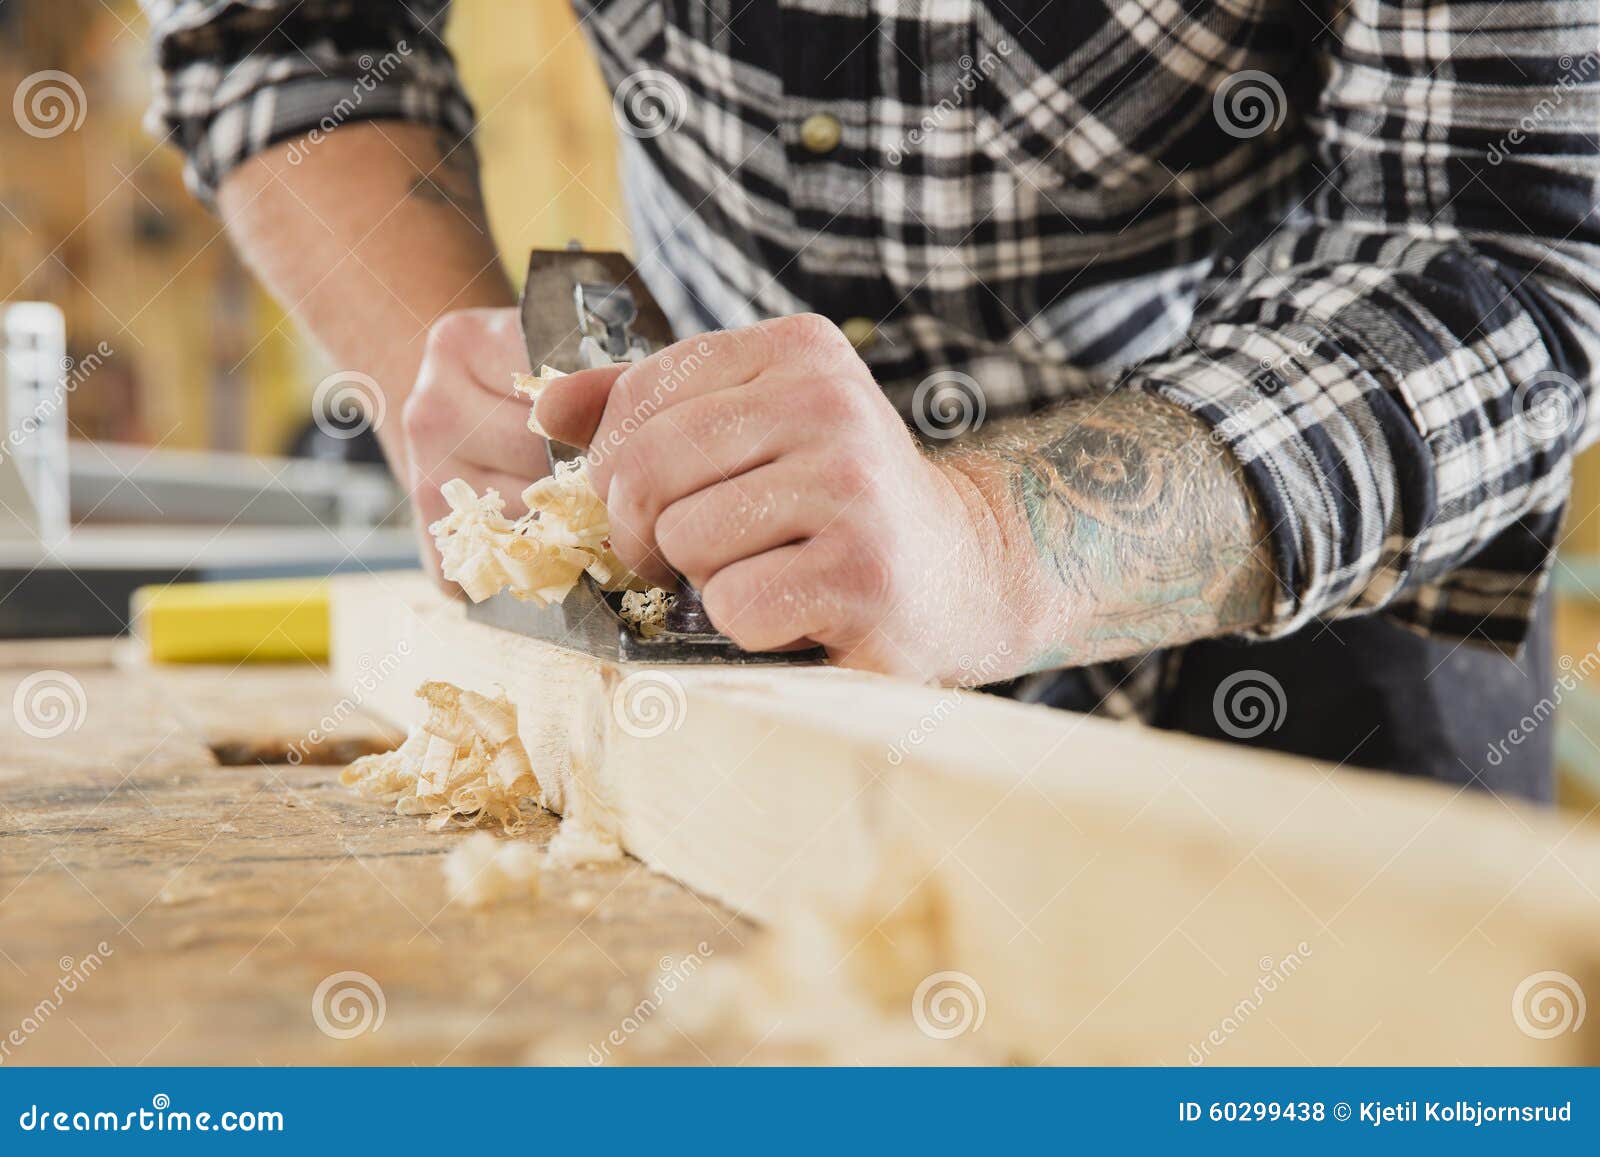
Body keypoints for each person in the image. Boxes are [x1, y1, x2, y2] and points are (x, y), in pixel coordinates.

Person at [143, 2, 1600, 801]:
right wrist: (516, 425)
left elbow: (1509, 255)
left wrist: (989, 541)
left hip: (1290, 607)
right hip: (734, 643)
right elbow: (282, 35)